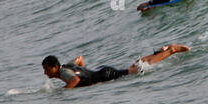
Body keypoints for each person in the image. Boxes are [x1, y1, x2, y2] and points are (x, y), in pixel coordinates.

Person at [41, 44, 190, 89]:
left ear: (54, 67)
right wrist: (85, 71)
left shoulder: (63, 72)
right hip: (103, 72)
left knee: (140, 69)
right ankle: (161, 51)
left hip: (105, 75)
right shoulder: (68, 65)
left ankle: (171, 50)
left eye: (46, 69)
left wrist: (63, 92)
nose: (45, 72)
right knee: (135, 67)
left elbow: (75, 81)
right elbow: (80, 59)